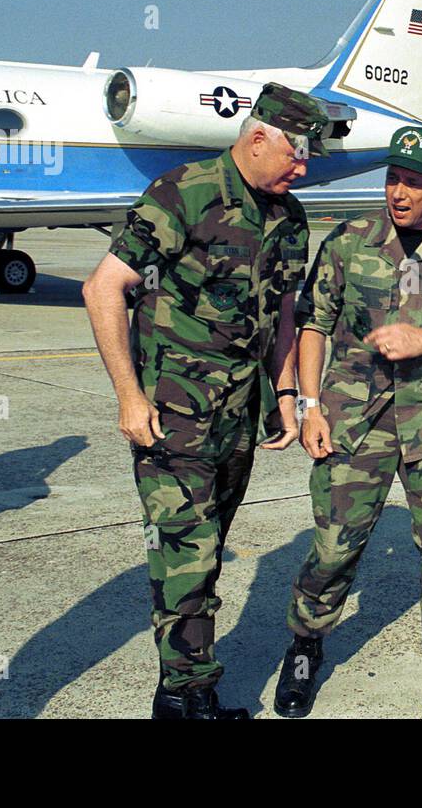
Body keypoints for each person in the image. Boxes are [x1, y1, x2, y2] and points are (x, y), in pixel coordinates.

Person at [83, 82, 329, 719]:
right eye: (296, 157)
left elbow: (281, 315)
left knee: (207, 549)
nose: (303, 171)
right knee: (185, 557)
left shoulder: (288, 218)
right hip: (173, 416)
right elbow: (104, 289)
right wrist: (129, 398)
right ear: (257, 140)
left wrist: (286, 393)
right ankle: (185, 696)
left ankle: (190, 690)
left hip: (236, 419)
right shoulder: (183, 193)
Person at [274, 125, 422, 719]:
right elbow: (314, 324)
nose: (399, 192)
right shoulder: (350, 241)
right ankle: (306, 645)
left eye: (415, 182)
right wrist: (308, 406)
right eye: (393, 178)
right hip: (354, 422)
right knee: (333, 546)